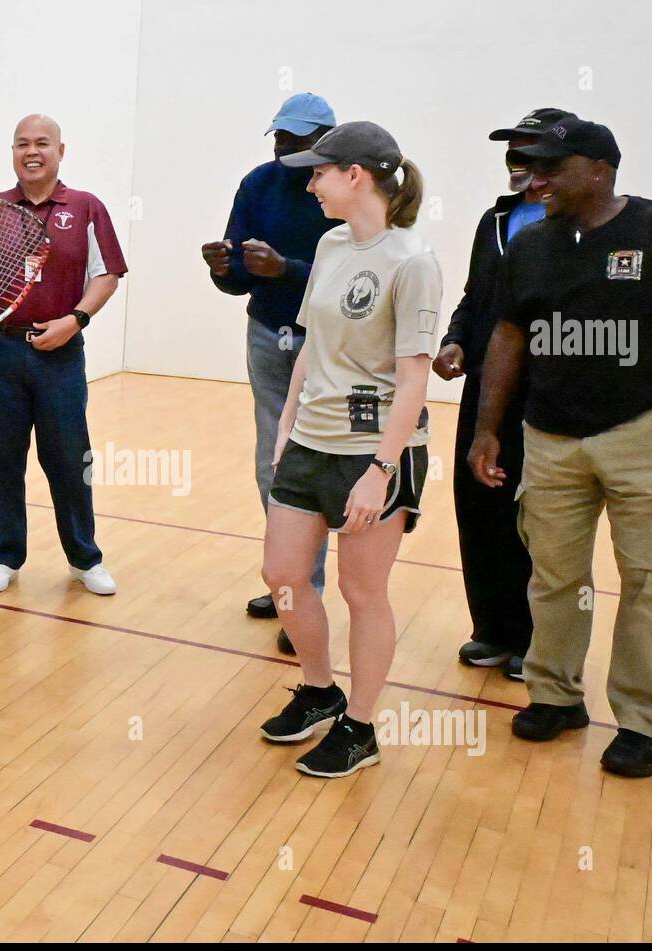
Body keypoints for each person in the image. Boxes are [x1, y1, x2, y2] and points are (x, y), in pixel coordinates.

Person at [468, 118, 652, 778]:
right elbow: (508, 338)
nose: (536, 180)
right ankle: (556, 695)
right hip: (551, 435)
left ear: (598, 169)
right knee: (554, 576)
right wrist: (486, 426)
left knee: (650, 579)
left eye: (550, 167)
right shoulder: (529, 245)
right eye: (530, 168)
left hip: (646, 432)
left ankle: (646, 721)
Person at [258, 122, 441, 778]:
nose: (310, 184)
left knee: (362, 590)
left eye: (319, 173)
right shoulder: (332, 243)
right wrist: (284, 429)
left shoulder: (412, 261)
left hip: (375, 452)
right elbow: (310, 344)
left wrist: (381, 470)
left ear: (355, 175)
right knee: (281, 574)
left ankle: (359, 727)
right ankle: (320, 690)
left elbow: (415, 377)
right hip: (311, 440)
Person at [0, 114, 126, 597]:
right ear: (12, 151)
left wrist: (74, 320)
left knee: (67, 458)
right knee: (2, 457)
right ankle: (4, 555)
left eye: (42, 143)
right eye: (22, 144)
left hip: (61, 353)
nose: (31, 152)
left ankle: (85, 558)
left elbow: (107, 275)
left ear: (62, 150)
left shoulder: (86, 208)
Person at [434, 107, 574, 680]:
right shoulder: (494, 221)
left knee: (537, 513)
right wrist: (455, 340)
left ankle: (538, 642)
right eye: (513, 156)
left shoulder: (583, 226)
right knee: (480, 500)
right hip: (487, 391)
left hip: (550, 396)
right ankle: (493, 627)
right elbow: (476, 296)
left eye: (532, 156)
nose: (520, 168)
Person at [200, 93, 340, 656]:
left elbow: (351, 279)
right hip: (268, 335)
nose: (282, 145)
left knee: (311, 466)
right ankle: (290, 585)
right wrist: (223, 270)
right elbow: (239, 276)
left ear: (325, 140)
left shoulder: (344, 189)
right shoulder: (258, 183)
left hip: (328, 343)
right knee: (272, 463)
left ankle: (305, 595)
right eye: (279, 134)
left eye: (296, 137)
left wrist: (286, 269)